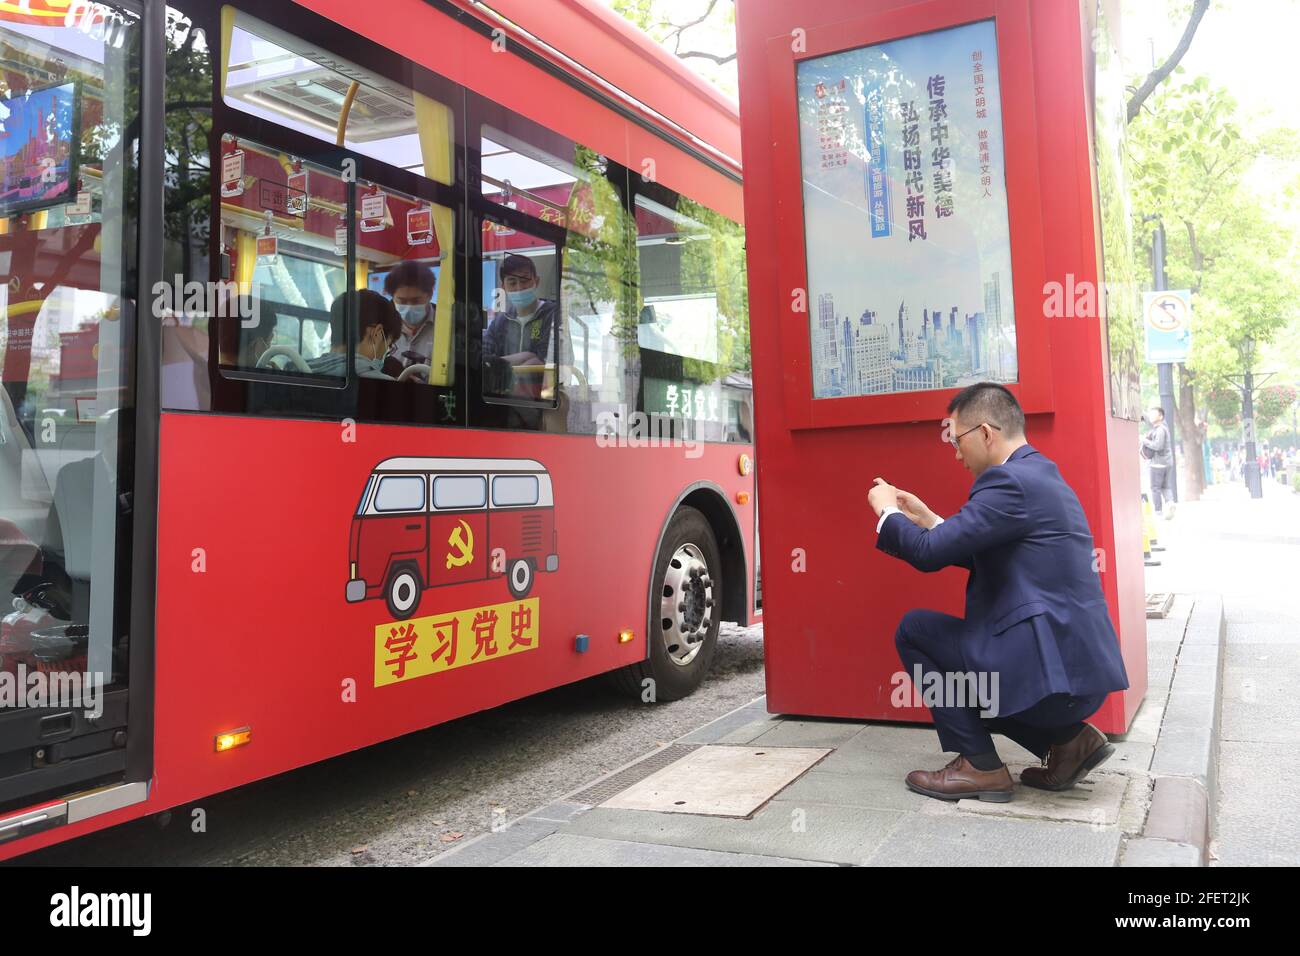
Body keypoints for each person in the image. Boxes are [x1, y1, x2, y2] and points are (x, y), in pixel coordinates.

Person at [867, 382, 1130, 803]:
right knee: (974, 656)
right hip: (1072, 678)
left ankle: (980, 767)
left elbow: (928, 556)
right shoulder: (1040, 473)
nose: (956, 454)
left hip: (1047, 682)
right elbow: (990, 552)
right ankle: (1070, 743)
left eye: (957, 441)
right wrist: (932, 519)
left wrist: (887, 511)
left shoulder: (1006, 482)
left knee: (915, 630)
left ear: (986, 433)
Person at [482, 253, 567, 397]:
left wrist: (499, 366)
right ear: (504, 287)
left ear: (536, 281)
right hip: (505, 400)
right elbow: (484, 357)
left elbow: (544, 359)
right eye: (512, 283)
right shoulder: (500, 321)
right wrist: (525, 356)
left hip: (545, 397)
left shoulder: (553, 314)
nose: (519, 288)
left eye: (525, 280)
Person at [308, 289, 401, 379]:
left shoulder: (300, 369)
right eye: (389, 345)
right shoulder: (381, 383)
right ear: (377, 334)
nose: (385, 353)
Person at [381, 260, 441, 377]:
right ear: (392, 297)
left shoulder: (448, 326)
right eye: (401, 301)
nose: (409, 307)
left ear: (430, 295)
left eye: (416, 301)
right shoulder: (381, 327)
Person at [1141, 406, 1175, 518]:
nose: (1150, 416)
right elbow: (1147, 418)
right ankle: (1170, 503)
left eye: (1153, 414)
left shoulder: (1160, 429)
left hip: (1158, 463)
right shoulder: (1160, 427)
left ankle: (1158, 511)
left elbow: (1158, 446)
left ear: (1160, 416)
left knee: (1155, 488)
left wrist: (1144, 441)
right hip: (1167, 462)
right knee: (1165, 486)